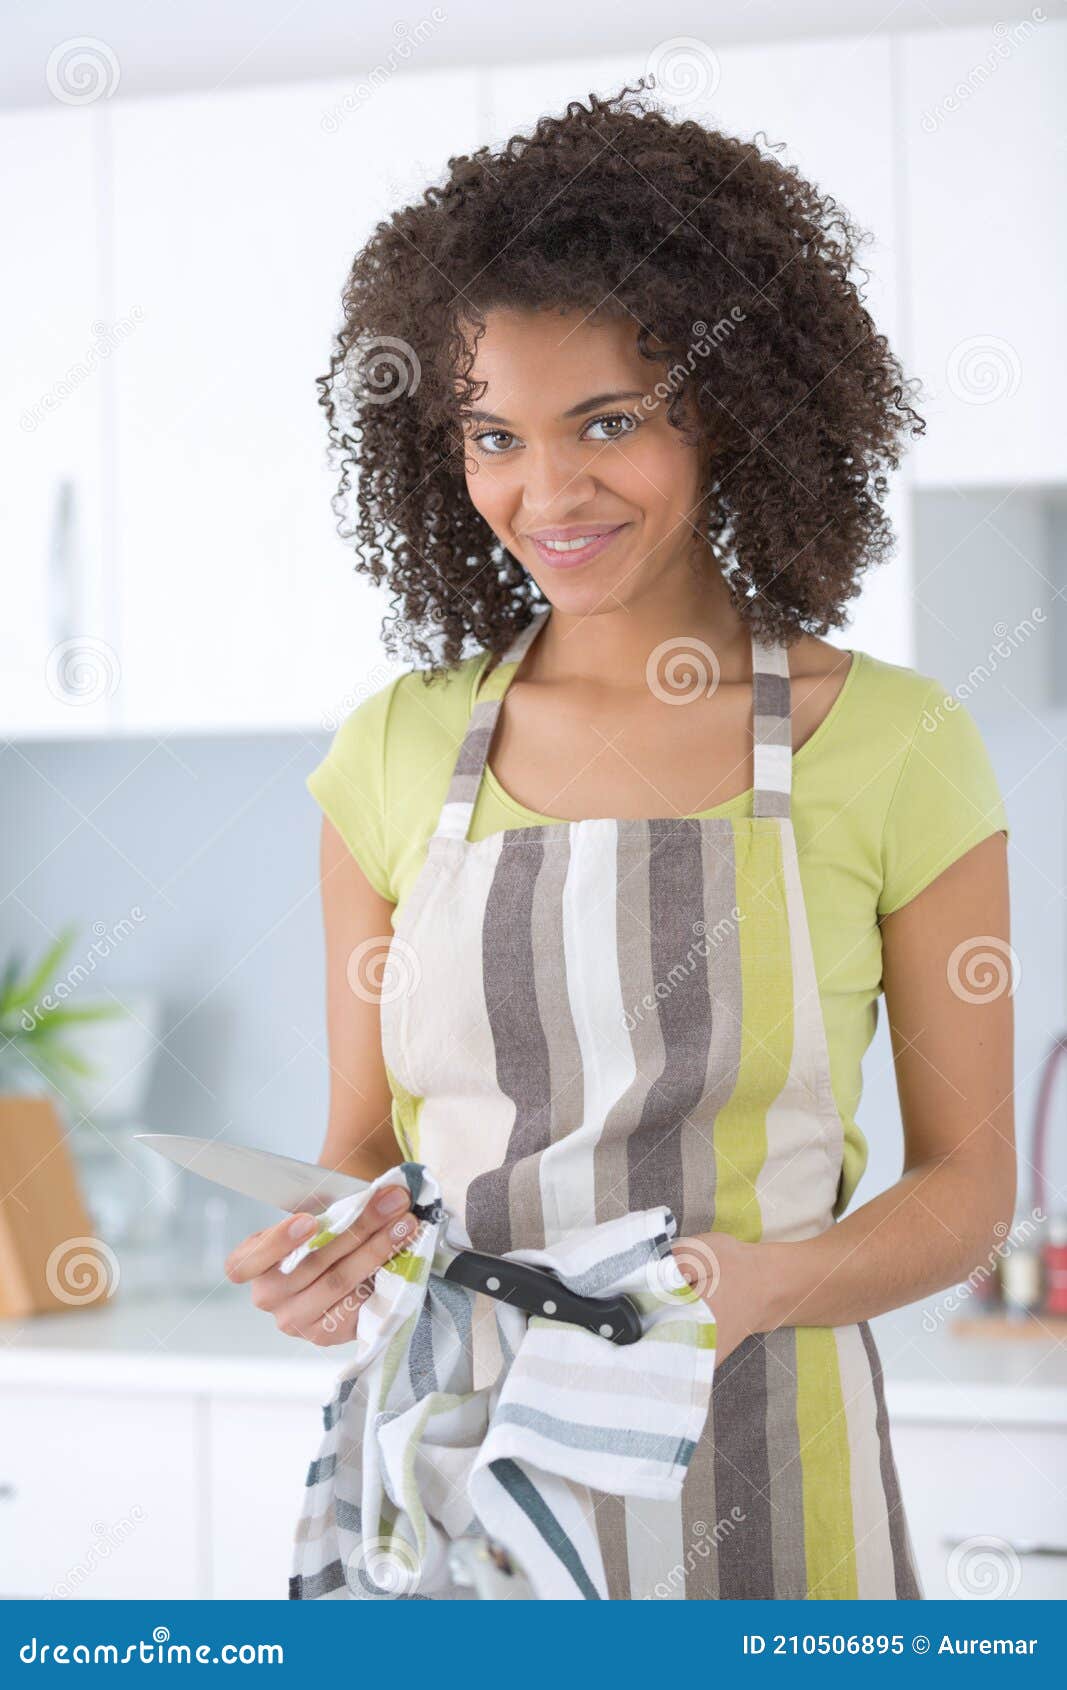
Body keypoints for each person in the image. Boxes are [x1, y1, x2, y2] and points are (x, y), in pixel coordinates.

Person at [225, 83, 1014, 1599]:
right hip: (451, 1472)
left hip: (765, 1468)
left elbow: (969, 1186)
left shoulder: (894, 743)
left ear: (734, 407)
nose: (548, 492)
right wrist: (327, 1248)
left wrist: (767, 1285)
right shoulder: (393, 753)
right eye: (494, 437)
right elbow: (363, 1150)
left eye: (609, 421)